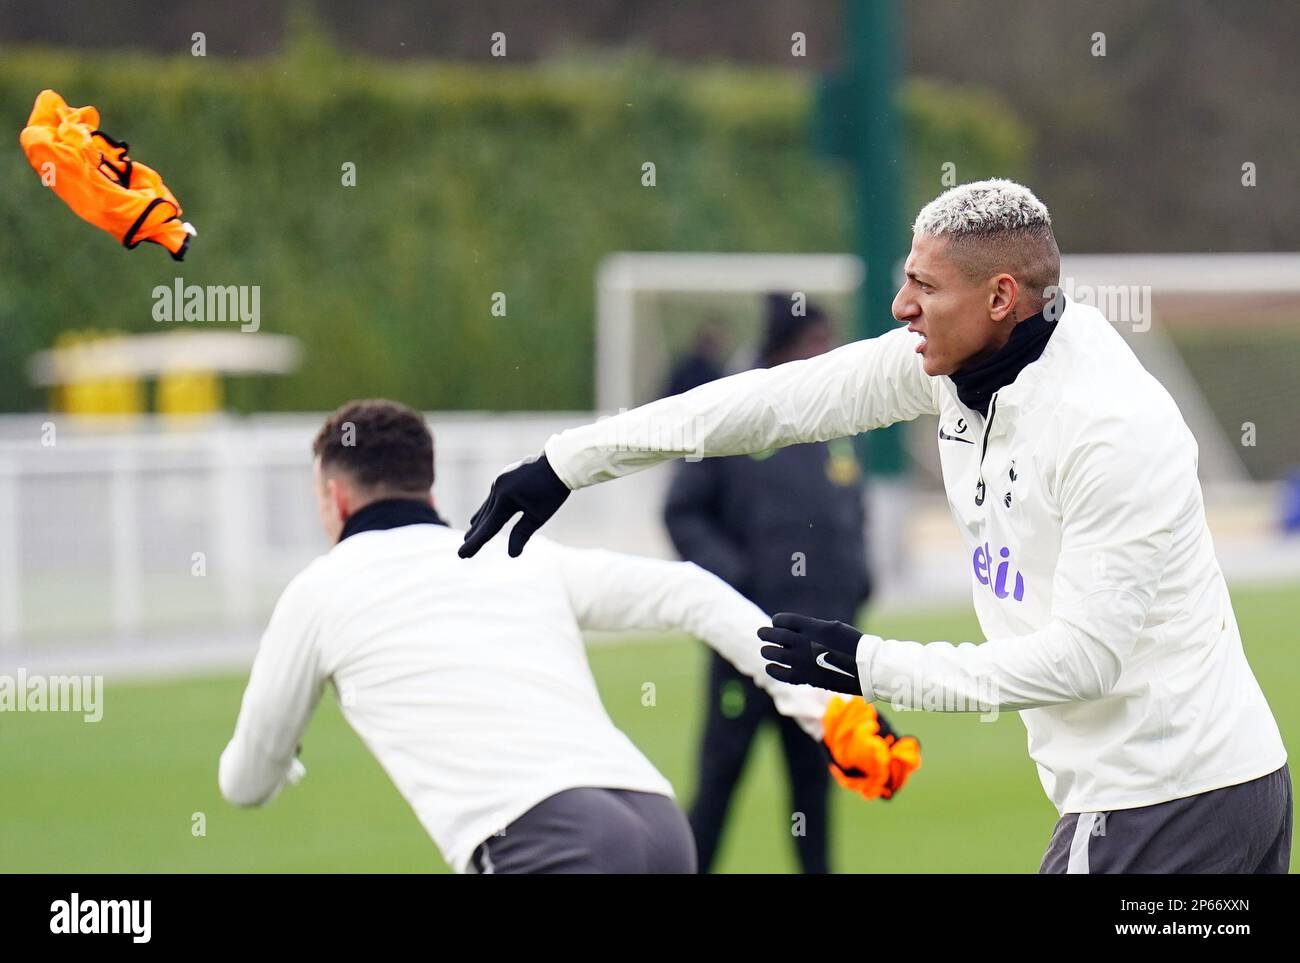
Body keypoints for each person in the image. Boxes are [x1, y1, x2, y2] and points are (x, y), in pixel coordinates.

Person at [458, 180, 1291, 874]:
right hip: (1183, 789)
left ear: (1000, 297)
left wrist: (869, 664)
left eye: (924, 287)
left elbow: (1085, 658)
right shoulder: (954, 364)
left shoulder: (1110, 426)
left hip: (1163, 797)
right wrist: (571, 460)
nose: (901, 306)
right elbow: (769, 402)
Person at [219, 399, 918, 874]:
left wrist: (284, 764)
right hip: (658, 828)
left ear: (334, 498)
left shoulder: (318, 589)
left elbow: (244, 780)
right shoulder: (510, 552)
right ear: (428, 487)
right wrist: (828, 710)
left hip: (550, 844)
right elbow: (693, 593)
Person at [664, 295, 871, 874]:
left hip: (820, 653)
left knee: (814, 797)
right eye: (815, 343)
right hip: (745, 645)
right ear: (784, 348)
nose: (826, 355)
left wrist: (858, 580)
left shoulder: (834, 421)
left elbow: (852, 512)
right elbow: (683, 513)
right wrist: (737, 585)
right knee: (717, 787)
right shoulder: (737, 414)